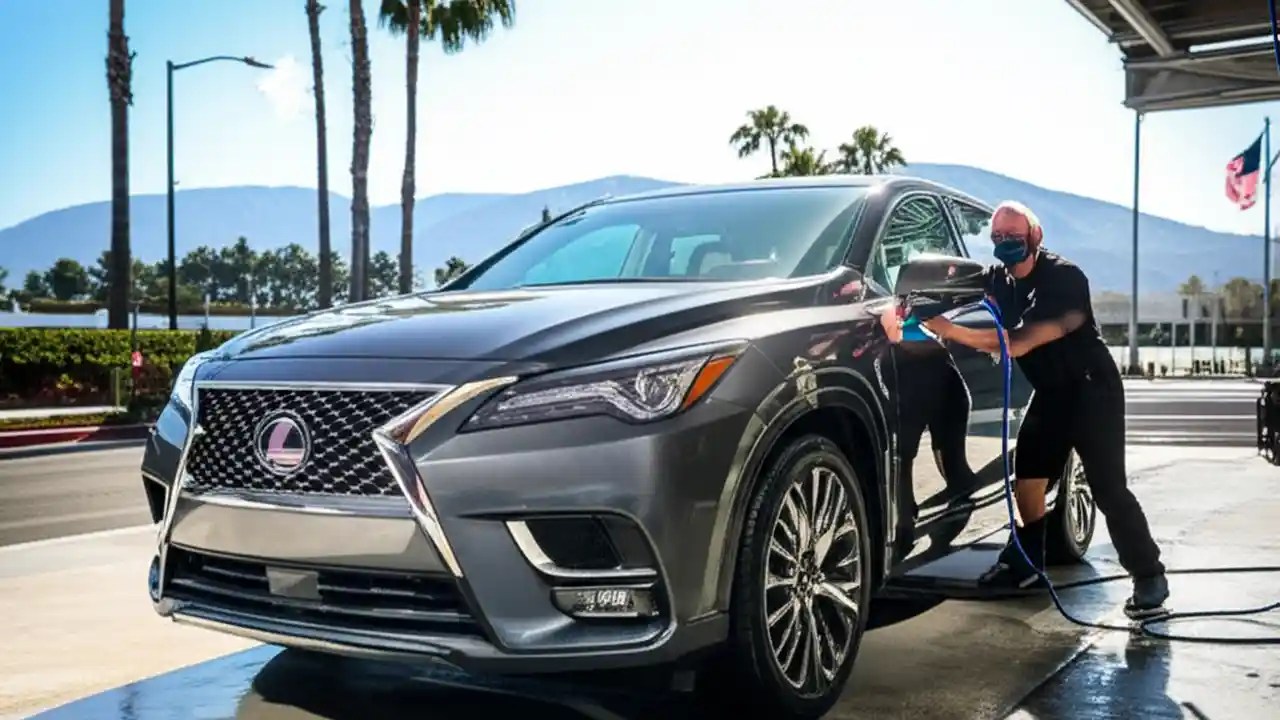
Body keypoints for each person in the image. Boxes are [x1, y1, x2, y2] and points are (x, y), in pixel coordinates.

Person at [912, 200, 1169, 619]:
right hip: (1051, 394)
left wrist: (947, 330)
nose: (1005, 244)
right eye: (997, 238)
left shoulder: (1066, 280)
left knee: (1109, 490)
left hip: (1092, 391)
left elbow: (1017, 342)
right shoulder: (998, 279)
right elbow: (953, 290)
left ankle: (1148, 574)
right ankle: (1029, 564)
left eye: (1013, 237)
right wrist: (914, 303)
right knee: (1027, 483)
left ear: (1035, 237)